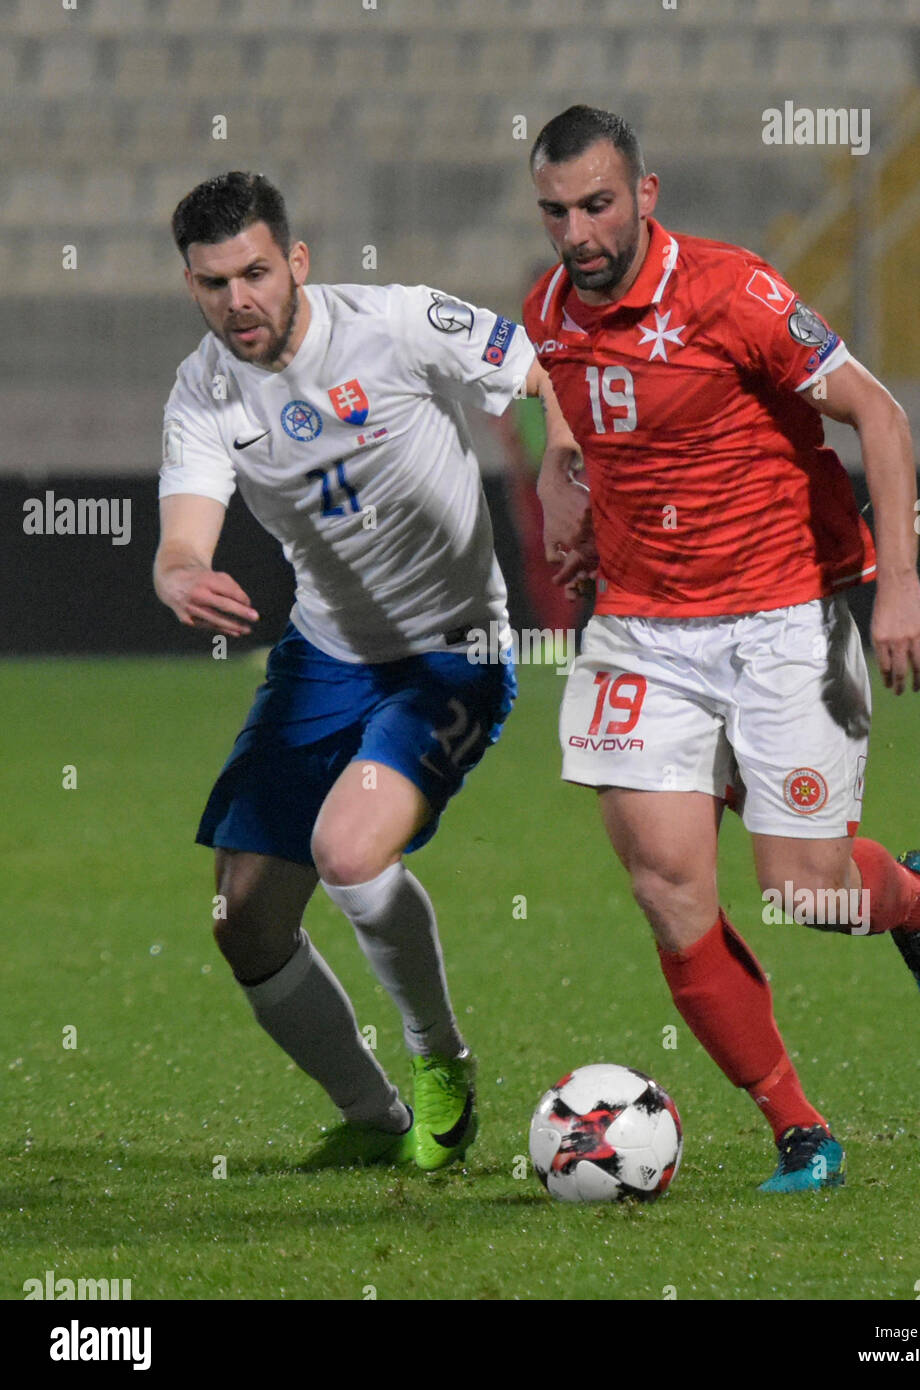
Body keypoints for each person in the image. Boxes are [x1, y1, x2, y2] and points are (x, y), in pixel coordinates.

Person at [523, 107, 920, 1192]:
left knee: (801, 888)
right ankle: (799, 1131)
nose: (576, 232)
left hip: (786, 617)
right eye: (554, 211)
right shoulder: (545, 309)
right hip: (640, 633)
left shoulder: (733, 293)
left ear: (644, 194)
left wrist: (901, 582)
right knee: (668, 886)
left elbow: (877, 414)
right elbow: (565, 392)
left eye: (596, 204)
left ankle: (914, 901)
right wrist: (560, 476)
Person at [154, 171, 566, 1171]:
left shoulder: (397, 323)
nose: (236, 300)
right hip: (323, 655)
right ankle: (373, 1116)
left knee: (348, 850)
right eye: (213, 283)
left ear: (296, 262)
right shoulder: (204, 389)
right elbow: (184, 533)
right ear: (192, 285)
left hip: (451, 654)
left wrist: (560, 464)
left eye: (254, 272)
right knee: (243, 917)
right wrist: (179, 571)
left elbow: (542, 371)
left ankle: (440, 1061)